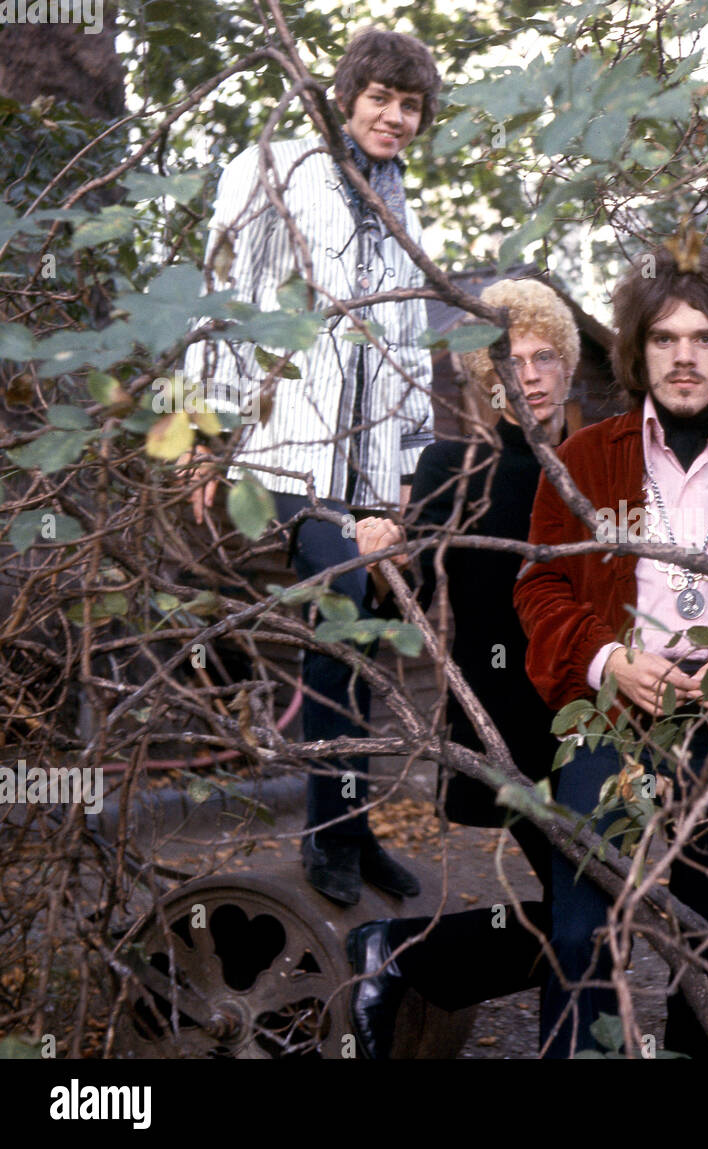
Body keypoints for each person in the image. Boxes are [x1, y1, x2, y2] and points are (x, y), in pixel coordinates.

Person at [513, 244, 708, 1058]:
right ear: (638, 351)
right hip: (611, 716)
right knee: (580, 935)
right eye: (666, 338)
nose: (685, 355)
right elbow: (539, 589)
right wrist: (609, 660)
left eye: (706, 337)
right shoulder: (582, 457)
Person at [182, 28, 440, 905]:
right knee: (340, 622)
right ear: (345, 93)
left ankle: (355, 826)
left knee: (361, 642)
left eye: (410, 106)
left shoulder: (402, 196)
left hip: (367, 472)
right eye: (381, 98)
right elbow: (221, 293)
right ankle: (329, 838)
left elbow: (409, 340)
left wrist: (403, 479)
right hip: (283, 446)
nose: (395, 117)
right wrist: (204, 431)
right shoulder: (278, 170)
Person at [343, 277, 578, 1058]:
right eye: (510, 362)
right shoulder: (451, 468)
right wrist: (378, 556)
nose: (531, 375)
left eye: (546, 356)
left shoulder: (600, 468)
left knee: (597, 912)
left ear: (570, 367)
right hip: (506, 733)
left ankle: (399, 953)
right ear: (487, 378)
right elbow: (392, 603)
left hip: (595, 730)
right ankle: (401, 954)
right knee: (594, 911)